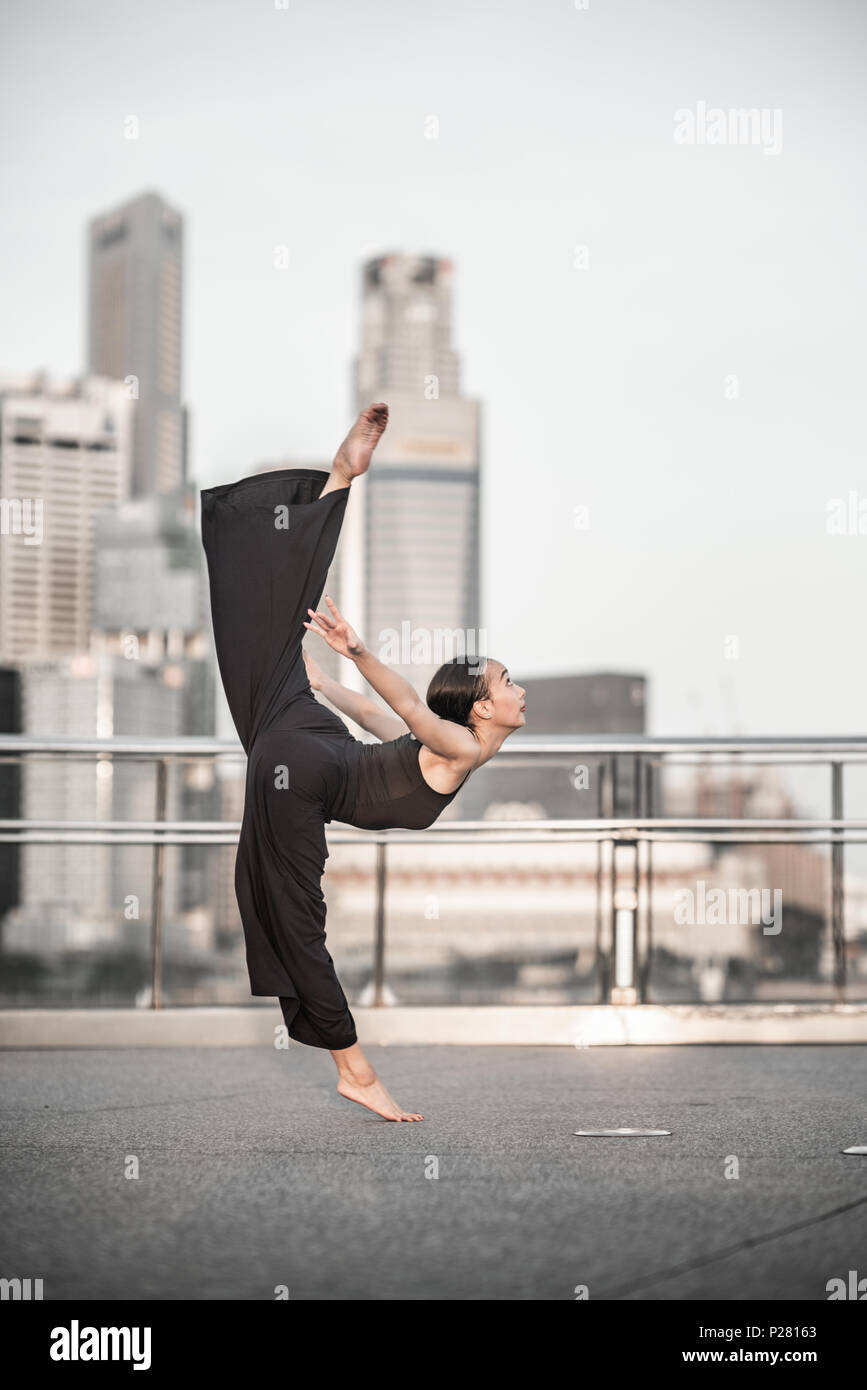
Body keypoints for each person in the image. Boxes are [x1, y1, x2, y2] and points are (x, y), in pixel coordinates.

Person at [200, 403, 526, 1121]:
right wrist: (347, 661)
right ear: (478, 707)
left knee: (273, 630)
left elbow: (391, 724)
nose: (517, 689)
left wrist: (319, 683)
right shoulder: (462, 748)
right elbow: (402, 713)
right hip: (310, 761)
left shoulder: (453, 749)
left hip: (304, 743)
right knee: (299, 923)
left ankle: (339, 482)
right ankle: (355, 1069)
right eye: (507, 683)